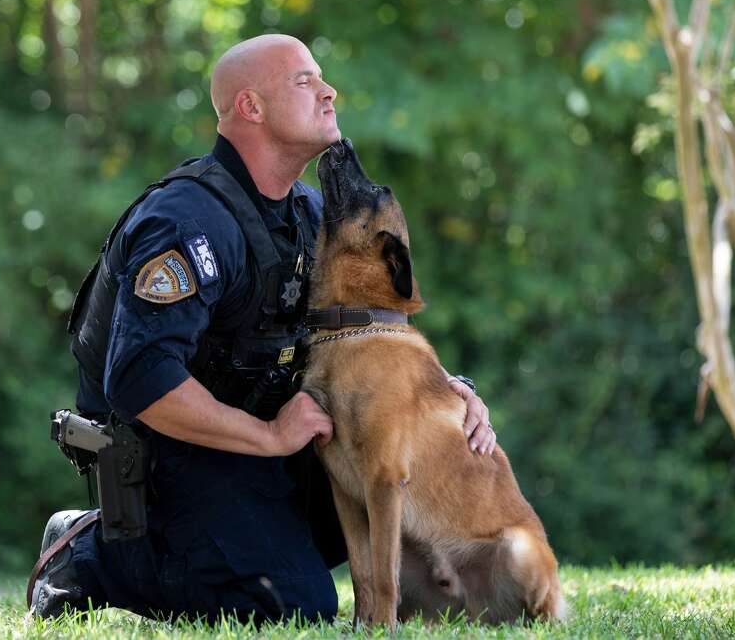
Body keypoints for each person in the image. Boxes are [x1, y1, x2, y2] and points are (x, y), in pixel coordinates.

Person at [28, 34, 497, 624]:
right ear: (250, 107)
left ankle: (246, 543)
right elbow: (140, 379)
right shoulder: (186, 222)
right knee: (288, 607)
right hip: (171, 460)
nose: (329, 92)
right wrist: (271, 437)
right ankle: (89, 555)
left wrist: (446, 394)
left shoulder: (305, 213)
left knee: (416, 494)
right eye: (305, 81)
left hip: (261, 446)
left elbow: (355, 339)